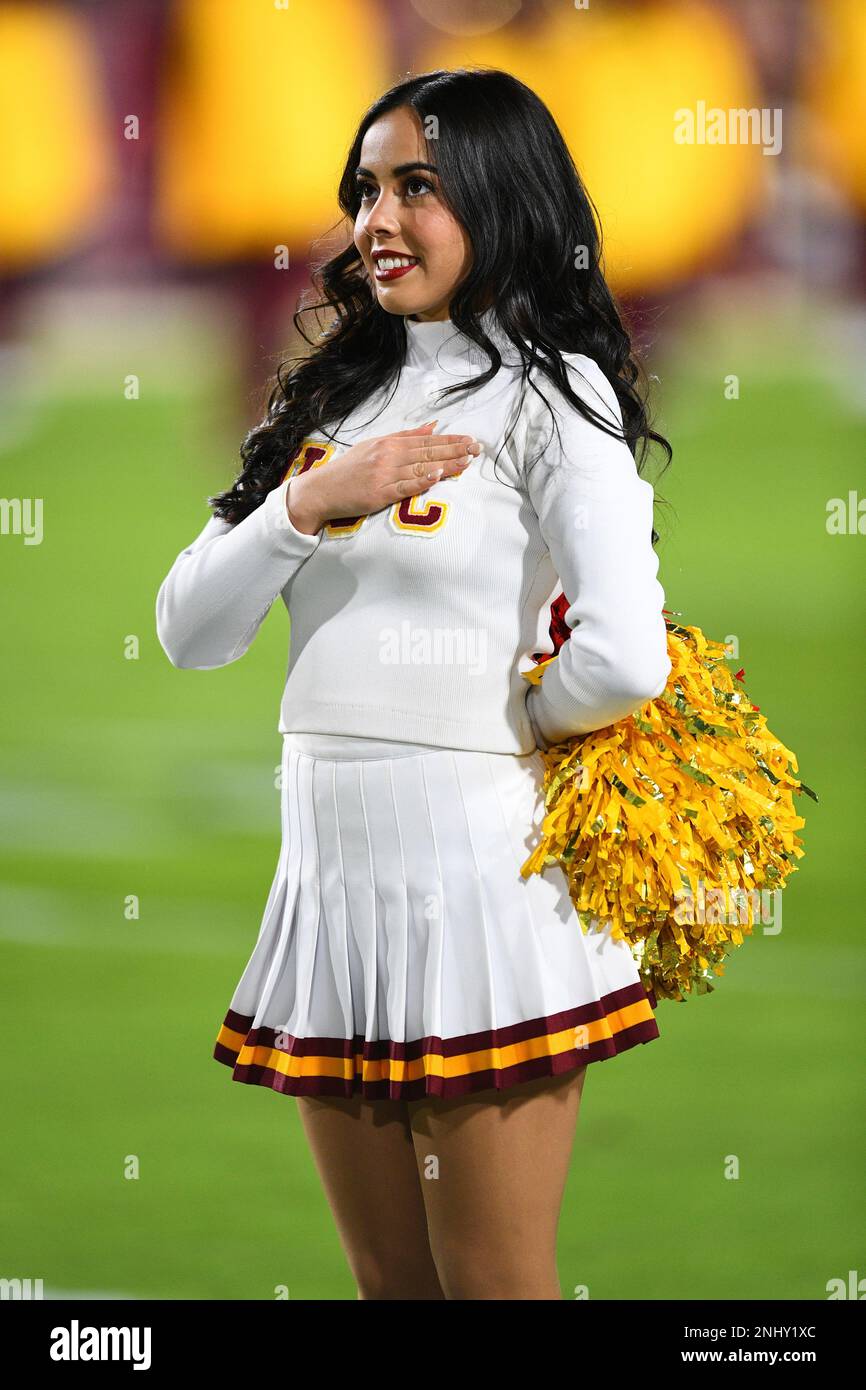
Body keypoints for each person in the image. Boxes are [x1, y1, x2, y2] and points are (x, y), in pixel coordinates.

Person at [155, 67, 673, 1301]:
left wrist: (509, 735)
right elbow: (189, 627)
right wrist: (306, 501)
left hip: (476, 889)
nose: (377, 221)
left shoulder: (557, 390)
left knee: (493, 1282)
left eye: (418, 189)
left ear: (500, 201)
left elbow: (625, 652)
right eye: (365, 190)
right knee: (389, 1283)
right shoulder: (328, 393)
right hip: (329, 888)